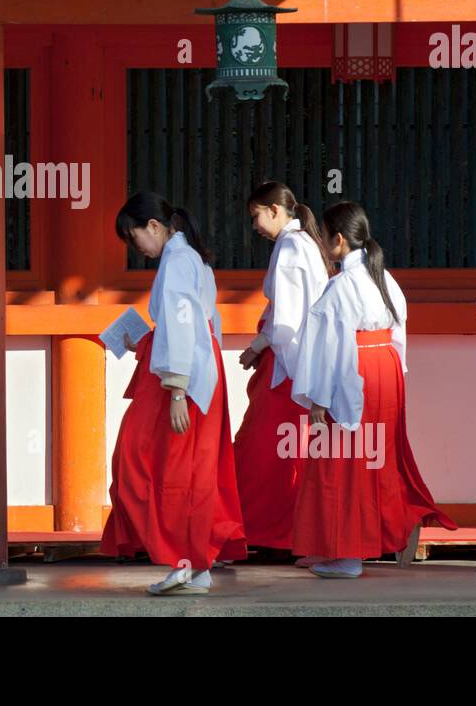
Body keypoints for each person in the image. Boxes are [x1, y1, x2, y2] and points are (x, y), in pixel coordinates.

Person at [291, 201, 457, 578]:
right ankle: (341, 543)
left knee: (341, 461)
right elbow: (398, 333)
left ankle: (347, 553)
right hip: (384, 369)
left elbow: (332, 344)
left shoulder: (343, 285)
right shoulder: (382, 275)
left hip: (356, 371)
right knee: (375, 460)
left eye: (323, 239)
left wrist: (319, 396)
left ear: (337, 240)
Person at [100, 191, 247, 595]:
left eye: (134, 237)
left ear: (154, 226)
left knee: (148, 465)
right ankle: (193, 565)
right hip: (196, 373)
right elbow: (202, 324)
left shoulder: (179, 262)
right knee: (183, 472)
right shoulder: (188, 259)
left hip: (183, 381)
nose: (135, 247)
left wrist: (179, 389)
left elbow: (185, 328)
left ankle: (185, 559)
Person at [232, 181, 332, 555]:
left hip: (288, 366)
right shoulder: (303, 243)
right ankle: (289, 533)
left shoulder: (290, 247)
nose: (254, 225)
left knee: (262, 453)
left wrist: (262, 350)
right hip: (297, 363)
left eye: (256, 215)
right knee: (288, 452)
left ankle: (264, 532)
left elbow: (286, 320)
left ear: (275, 209)